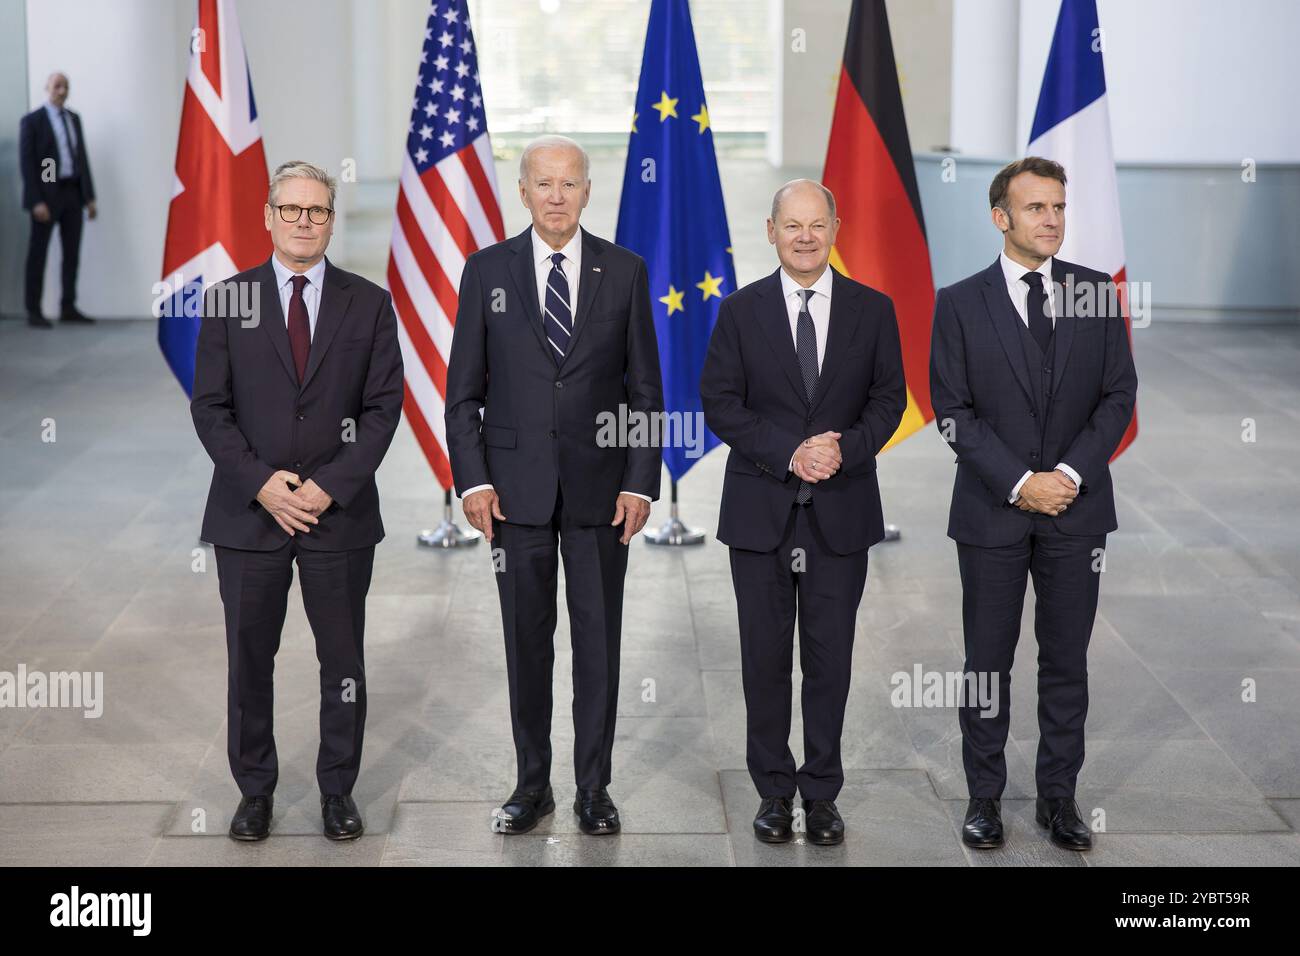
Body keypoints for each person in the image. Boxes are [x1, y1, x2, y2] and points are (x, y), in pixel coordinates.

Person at [444, 135, 664, 835]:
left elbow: (645, 393)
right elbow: (462, 395)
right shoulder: (486, 272)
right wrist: (473, 480)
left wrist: (640, 484)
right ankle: (531, 785)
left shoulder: (624, 271)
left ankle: (593, 790)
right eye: (545, 183)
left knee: (598, 645)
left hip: (604, 497)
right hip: (514, 494)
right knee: (525, 643)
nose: (558, 196)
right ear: (524, 192)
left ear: (588, 191)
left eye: (570, 183)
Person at [191, 161, 404, 842]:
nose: (304, 221)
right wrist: (261, 482)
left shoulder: (367, 302)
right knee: (250, 660)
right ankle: (255, 792)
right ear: (269, 216)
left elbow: (381, 408)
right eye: (292, 209)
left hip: (336, 514)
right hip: (248, 514)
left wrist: (327, 485)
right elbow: (211, 408)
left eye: (316, 211)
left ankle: (337, 792)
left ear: (331, 220)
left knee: (342, 663)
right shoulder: (229, 299)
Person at [928, 156, 1137, 851]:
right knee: (987, 660)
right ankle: (983, 799)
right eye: (1036, 209)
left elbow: (1118, 396)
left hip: (1078, 512)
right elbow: (952, 411)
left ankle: (1059, 798)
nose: (1051, 220)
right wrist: (1022, 482)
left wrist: (1070, 474)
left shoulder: (1095, 292)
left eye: (1058, 208)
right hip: (992, 510)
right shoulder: (959, 302)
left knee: (1066, 660)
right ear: (1001, 218)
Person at [700, 179, 906, 846]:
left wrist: (841, 449)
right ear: (771, 231)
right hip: (761, 513)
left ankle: (821, 794)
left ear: (835, 228)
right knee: (763, 660)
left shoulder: (873, 310)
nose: (806, 236)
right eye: (792, 225)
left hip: (840, 513)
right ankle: (772, 792)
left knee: (829, 658)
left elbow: (888, 400)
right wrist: (791, 452)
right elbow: (721, 403)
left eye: (817, 224)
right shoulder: (739, 310)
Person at [19, 72, 97, 327]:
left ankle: (68, 306)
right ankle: (34, 309)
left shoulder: (73, 118)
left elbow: (80, 158)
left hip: (73, 193)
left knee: (71, 252)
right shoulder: (34, 121)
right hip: (48, 195)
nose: (62, 91)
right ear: (47, 88)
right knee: (38, 253)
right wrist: (37, 200)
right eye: (57, 86)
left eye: (66, 86)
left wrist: (89, 196)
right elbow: (31, 165)